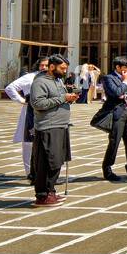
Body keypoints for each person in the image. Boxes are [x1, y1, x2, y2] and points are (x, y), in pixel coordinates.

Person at [28, 54, 77, 206]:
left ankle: (51, 191)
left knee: (57, 161)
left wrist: (69, 97)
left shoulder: (58, 80)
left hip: (60, 125)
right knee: (47, 162)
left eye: (65, 68)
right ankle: (42, 195)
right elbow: (38, 103)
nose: (64, 71)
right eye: (62, 68)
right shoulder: (40, 82)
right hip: (48, 127)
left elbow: (59, 98)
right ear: (51, 67)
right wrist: (63, 98)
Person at [93, 55, 127, 182]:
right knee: (114, 141)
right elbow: (115, 93)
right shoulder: (108, 78)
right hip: (117, 113)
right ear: (118, 67)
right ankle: (107, 168)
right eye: (125, 67)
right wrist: (125, 82)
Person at [4, 56, 48, 180]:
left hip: (47, 113)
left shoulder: (53, 78)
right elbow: (10, 88)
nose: (44, 67)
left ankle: (42, 171)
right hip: (30, 112)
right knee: (29, 143)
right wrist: (22, 100)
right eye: (42, 65)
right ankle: (29, 171)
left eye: (46, 65)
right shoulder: (30, 77)